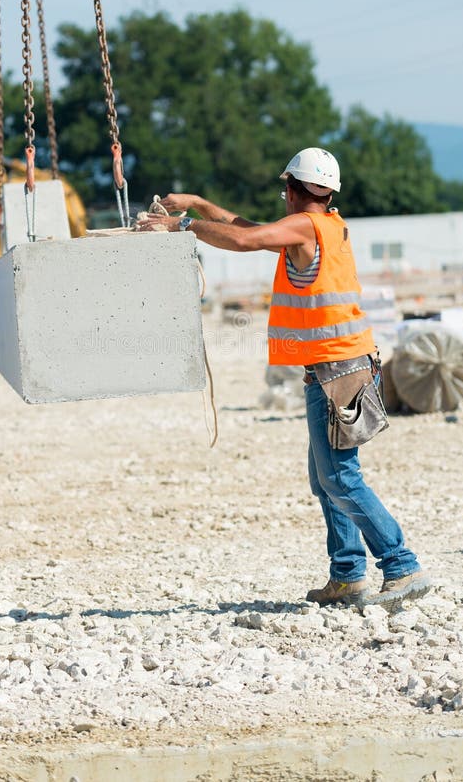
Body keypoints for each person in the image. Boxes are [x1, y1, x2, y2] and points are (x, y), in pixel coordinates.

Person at [138, 147, 431, 609]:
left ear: (293, 190)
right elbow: (247, 229)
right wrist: (195, 202)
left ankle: (401, 565)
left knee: (340, 477)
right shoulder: (323, 225)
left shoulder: (305, 226)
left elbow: (246, 241)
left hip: (338, 371)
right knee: (326, 477)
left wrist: (183, 226)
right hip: (339, 368)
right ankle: (348, 575)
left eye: (284, 191)